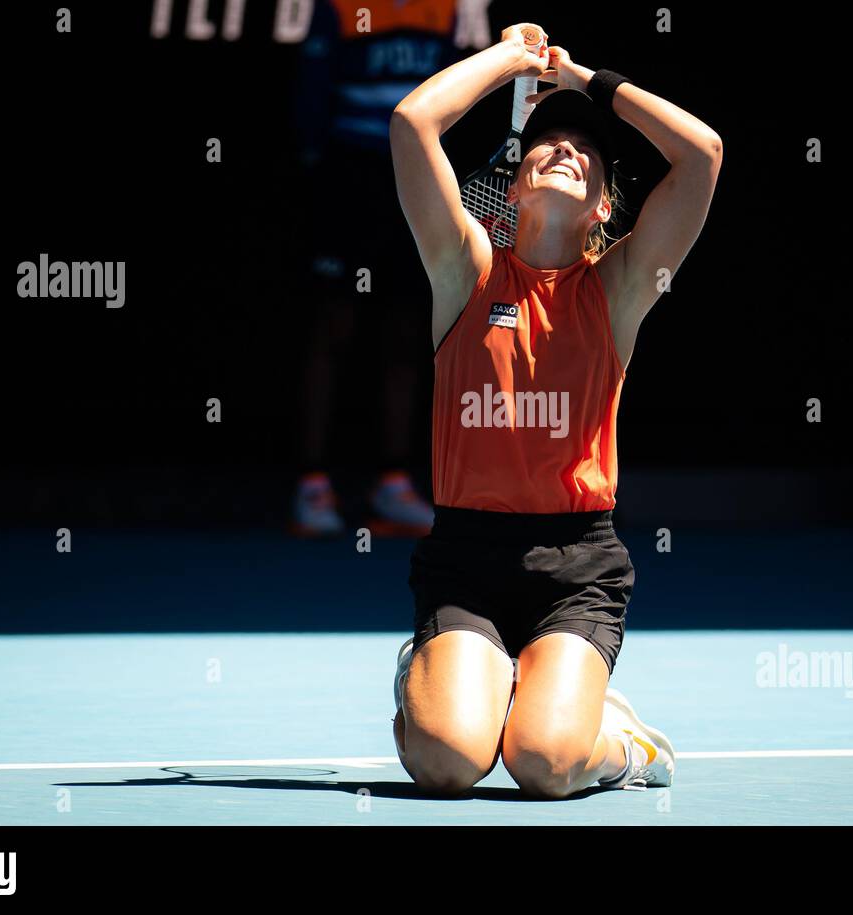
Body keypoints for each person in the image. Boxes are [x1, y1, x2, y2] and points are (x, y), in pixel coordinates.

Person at [388, 23, 721, 797]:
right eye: (547, 146)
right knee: (447, 762)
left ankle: (623, 742)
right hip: (465, 560)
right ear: (511, 188)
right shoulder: (463, 270)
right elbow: (412, 125)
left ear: (604, 207)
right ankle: (435, 676)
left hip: (578, 568)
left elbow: (702, 154)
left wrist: (586, 82)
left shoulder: (618, 289)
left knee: (544, 764)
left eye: (587, 154)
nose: (566, 149)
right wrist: (510, 59)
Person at [290, 0, 465, 537]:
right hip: (350, 185)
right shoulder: (338, 8)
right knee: (331, 328)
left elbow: (448, 103)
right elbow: (310, 106)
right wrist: (323, 178)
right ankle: (312, 483)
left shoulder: (445, 10)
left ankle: (393, 483)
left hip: (412, 187)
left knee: (408, 331)